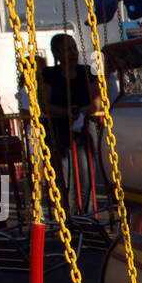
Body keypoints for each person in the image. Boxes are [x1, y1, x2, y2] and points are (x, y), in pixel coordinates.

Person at [40, 33, 99, 215]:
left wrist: (81, 111)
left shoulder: (86, 72)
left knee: (85, 176)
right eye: (67, 49)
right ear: (56, 53)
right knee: (64, 179)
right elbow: (44, 104)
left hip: (81, 132)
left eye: (74, 48)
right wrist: (65, 112)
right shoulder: (49, 75)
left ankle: (87, 218)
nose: (73, 53)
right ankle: (68, 219)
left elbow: (97, 102)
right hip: (58, 134)